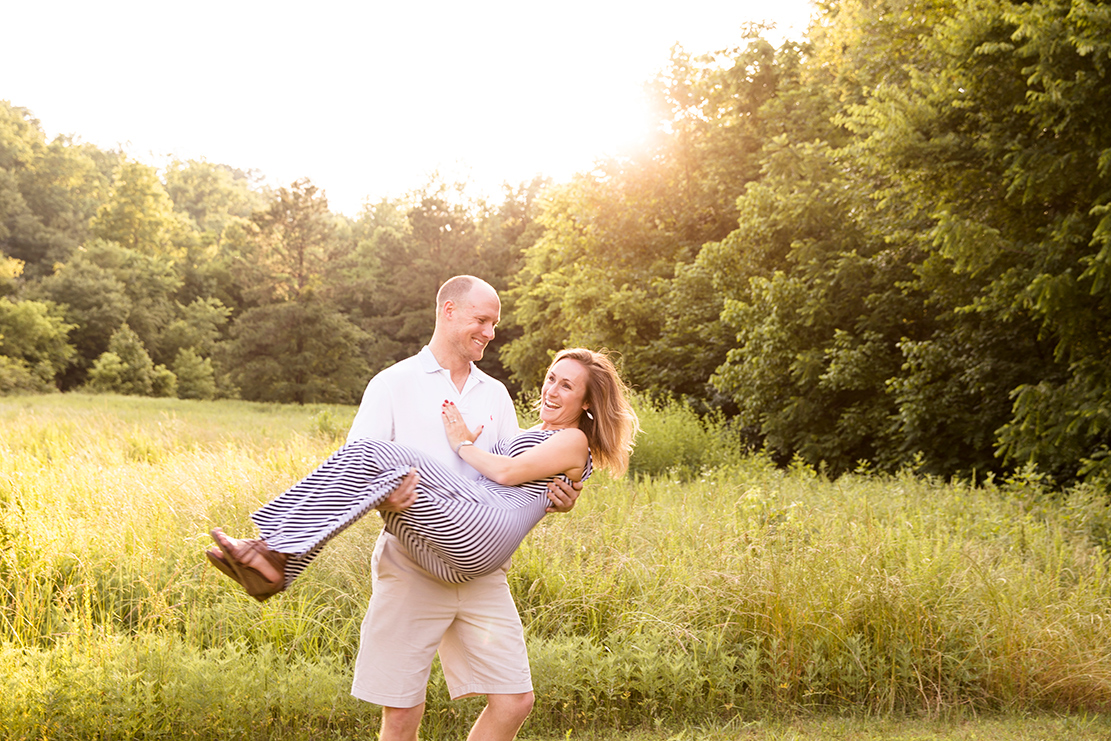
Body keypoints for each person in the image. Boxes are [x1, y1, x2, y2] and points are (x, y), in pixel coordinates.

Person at [206, 276, 605, 741]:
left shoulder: (495, 394)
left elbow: (512, 477)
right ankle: (273, 556)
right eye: (482, 320)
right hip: (412, 558)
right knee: (400, 712)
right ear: (449, 311)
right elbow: (354, 474)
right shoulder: (393, 383)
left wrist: (561, 492)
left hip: (478, 565)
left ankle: (274, 555)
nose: (490, 332)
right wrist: (386, 498)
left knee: (515, 698)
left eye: (494, 323)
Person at [209, 347, 637, 591]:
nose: (552, 389)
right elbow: (526, 480)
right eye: (550, 377)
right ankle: (278, 565)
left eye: (567, 385)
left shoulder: (575, 439)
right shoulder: (542, 434)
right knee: (389, 491)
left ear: (586, 403)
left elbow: (506, 474)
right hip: (458, 556)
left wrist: (463, 442)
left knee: (374, 453)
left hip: (487, 527)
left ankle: (272, 547)